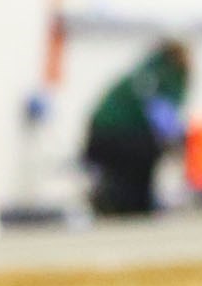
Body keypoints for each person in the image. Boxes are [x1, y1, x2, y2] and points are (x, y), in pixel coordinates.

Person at [81, 40, 189, 215]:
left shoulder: (146, 73)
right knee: (146, 155)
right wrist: (178, 141)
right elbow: (161, 117)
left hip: (103, 136)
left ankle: (121, 201)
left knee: (135, 161)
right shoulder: (158, 77)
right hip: (116, 137)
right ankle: (134, 204)